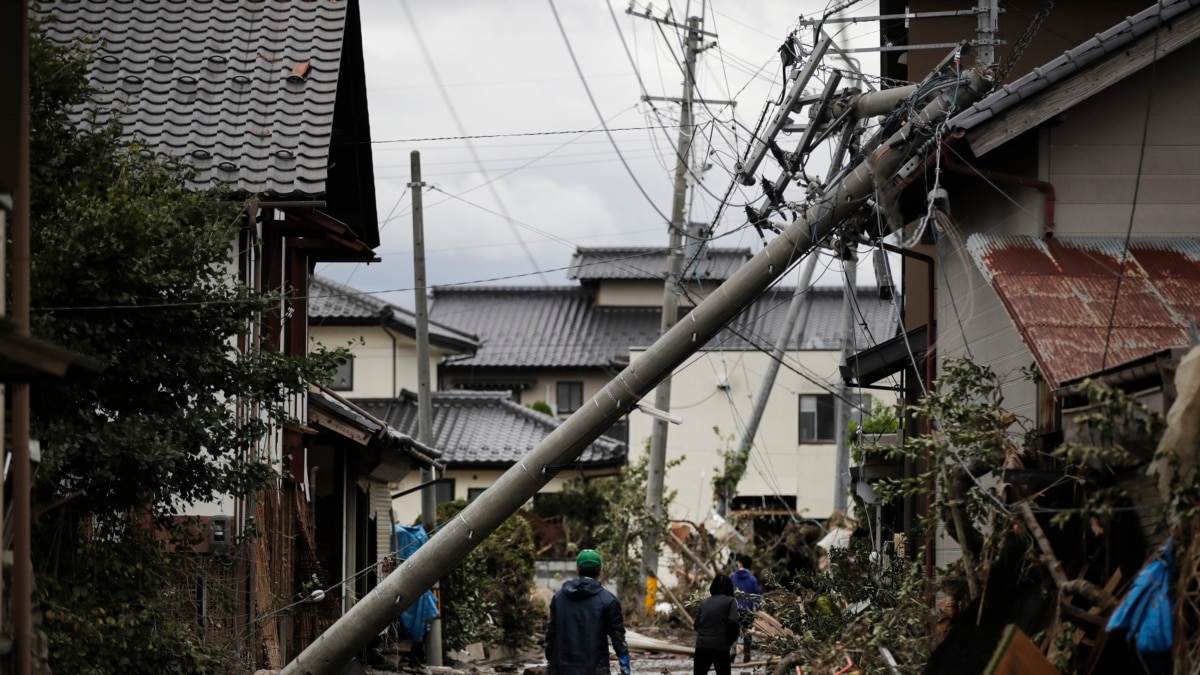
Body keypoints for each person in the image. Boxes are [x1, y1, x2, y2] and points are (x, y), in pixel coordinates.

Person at [545, 549, 631, 675]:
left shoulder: (559, 598)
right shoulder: (608, 600)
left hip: (562, 669)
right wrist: (625, 668)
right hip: (596, 669)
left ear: (577, 570)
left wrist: (550, 664)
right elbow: (618, 638)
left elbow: (551, 634)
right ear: (600, 570)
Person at [693, 574, 740, 675]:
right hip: (721, 646)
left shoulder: (704, 602)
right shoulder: (731, 601)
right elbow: (733, 622)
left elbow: (696, 624)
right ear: (729, 587)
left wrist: (705, 636)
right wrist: (730, 641)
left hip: (702, 646)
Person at [730, 554, 761, 663]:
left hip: (734, 609)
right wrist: (758, 609)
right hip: (748, 610)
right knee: (747, 632)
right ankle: (747, 654)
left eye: (738, 562)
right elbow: (757, 596)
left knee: (733, 632)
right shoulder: (752, 579)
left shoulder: (732, 577)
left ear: (741, 564)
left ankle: (732, 653)